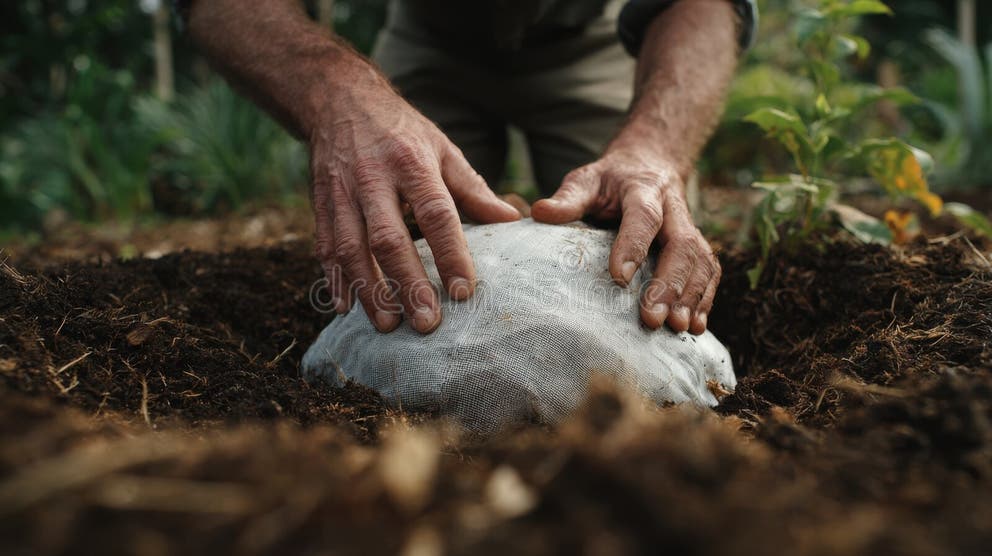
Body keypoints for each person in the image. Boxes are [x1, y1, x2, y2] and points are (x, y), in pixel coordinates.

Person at [177, 0, 756, 336]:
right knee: (398, 248)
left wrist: (656, 152)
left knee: (639, 247)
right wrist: (337, 96)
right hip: (431, 31)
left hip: (592, 34)